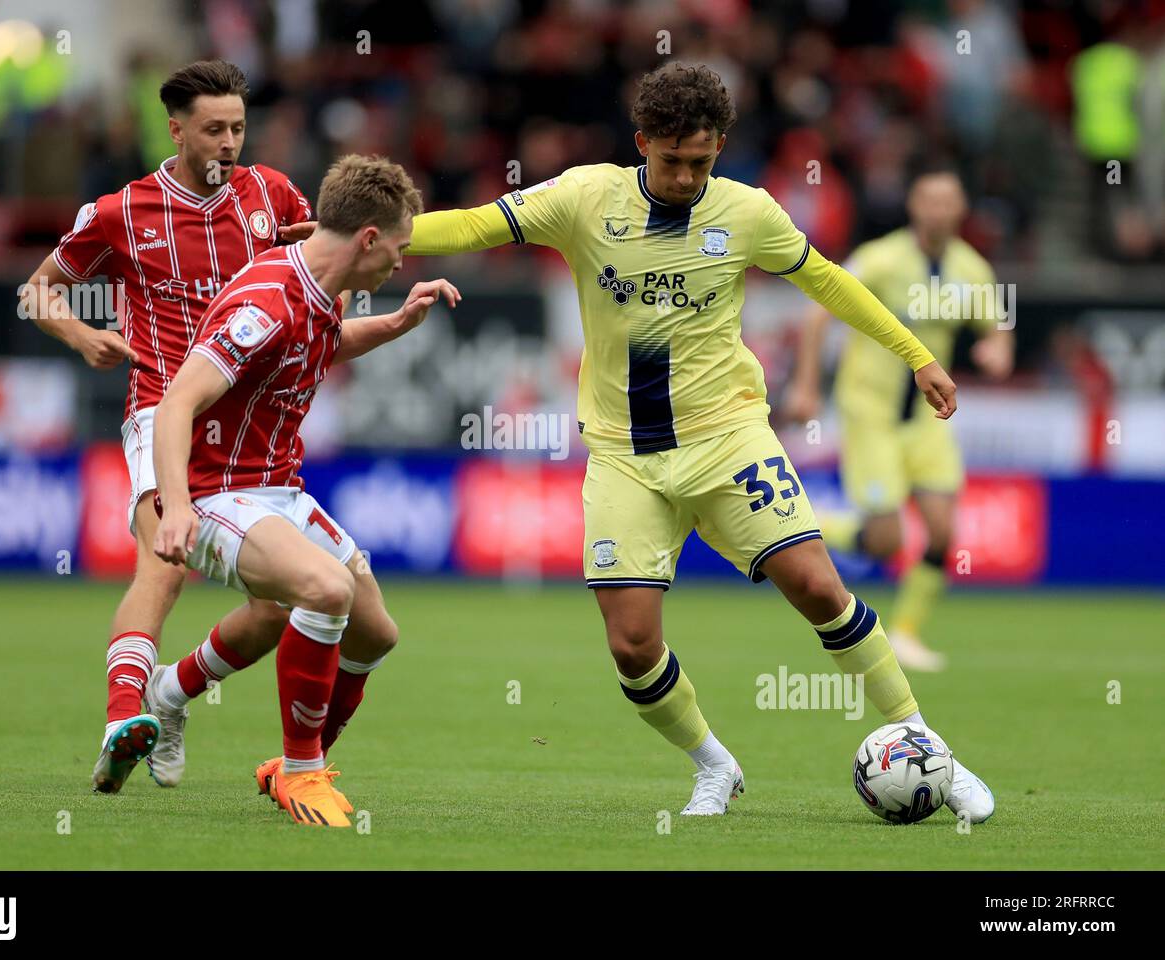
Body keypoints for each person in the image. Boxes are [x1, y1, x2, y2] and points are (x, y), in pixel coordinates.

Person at [405, 62, 994, 822]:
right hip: (623, 452)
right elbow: (474, 223)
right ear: (641, 141)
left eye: (702, 162)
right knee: (631, 645)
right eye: (671, 160)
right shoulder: (586, 197)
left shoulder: (748, 212)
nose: (685, 176)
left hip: (728, 436)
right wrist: (364, 241)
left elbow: (830, 282)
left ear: (722, 148)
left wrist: (917, 354)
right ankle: (714, 765)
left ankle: (926, 742)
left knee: (817, 586)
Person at [22, 60, 393, 794]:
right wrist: (80, 334)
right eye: (215, 129)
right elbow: (37, 293)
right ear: (176, 129)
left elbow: (317, 281)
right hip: (167, 408)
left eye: (239, 128)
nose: (229, 143)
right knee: (163, 564)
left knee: (273, 610)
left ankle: (170, 695)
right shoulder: (121, 212)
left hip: (249, 429)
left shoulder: (271, 195)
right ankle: (121, 720)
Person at [152, 154, 459, 827]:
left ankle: (172, 691)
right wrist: (174, 507)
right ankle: (300, 771)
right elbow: (178, 402)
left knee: (375, 633)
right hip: (212, 495)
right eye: (400, 249)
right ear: (368, 239)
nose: (402, 264)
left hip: (276, 492)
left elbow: (320, 343)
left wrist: (398, 324)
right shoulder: (265, 302)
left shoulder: (325, 293)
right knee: (325, 591)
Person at [784, 168, 1014, 671]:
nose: (938, 210)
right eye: (929, 200)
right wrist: (805, 384)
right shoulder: (881, 258)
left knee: (941, 531)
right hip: (871, 412)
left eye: (948, 200)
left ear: (960, 210)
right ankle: (816, 526)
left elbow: (997, 323)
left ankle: (906, 633)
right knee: (887, 541)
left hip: (929, 418)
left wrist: (998, 349)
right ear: (914, 206)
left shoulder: (971, 268)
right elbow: (820, 310)